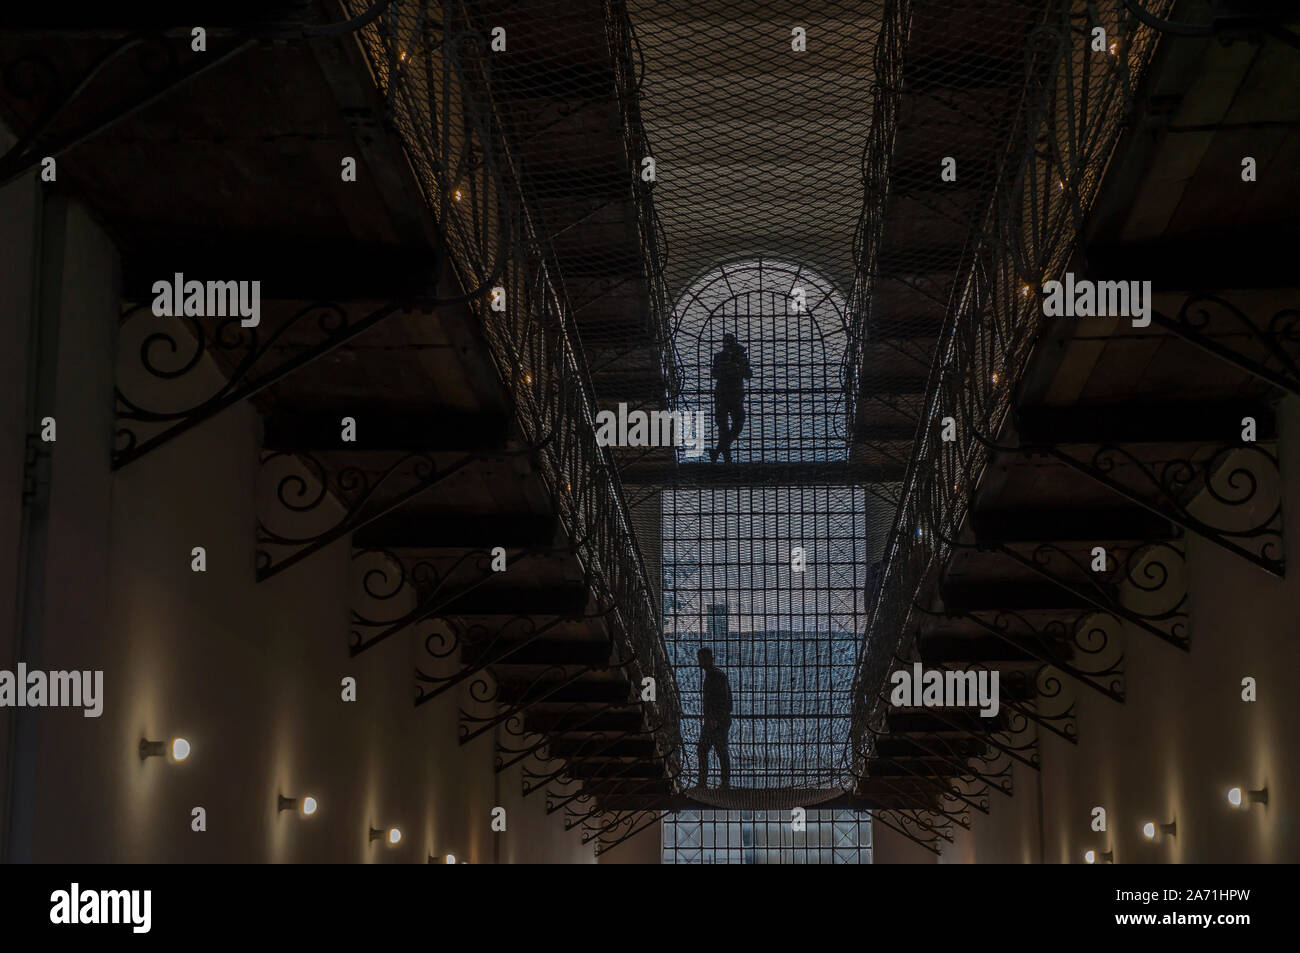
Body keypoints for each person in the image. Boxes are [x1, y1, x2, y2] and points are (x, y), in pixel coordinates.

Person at [710, 333, 751, 463]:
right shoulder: (719, 357)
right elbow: (714, 374)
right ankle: (726, 458)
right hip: (724, 395)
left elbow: (748, 374)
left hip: (733, 395)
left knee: (737, 424)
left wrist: (739, 366)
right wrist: (726, 367)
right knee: (724, 427)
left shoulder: (741, 356)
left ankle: (718, 451)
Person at [696, 646, 732, 789]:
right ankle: (723, 782)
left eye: (701, 659)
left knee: (706, 749)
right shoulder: (716, 675)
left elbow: (722, 700)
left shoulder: (714, 676)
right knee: (720, 750)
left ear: (709, 659)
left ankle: (704, 782)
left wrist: (714, 719)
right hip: (718, 720)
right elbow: (725, 700)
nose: (699, 662)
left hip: (716, 721)